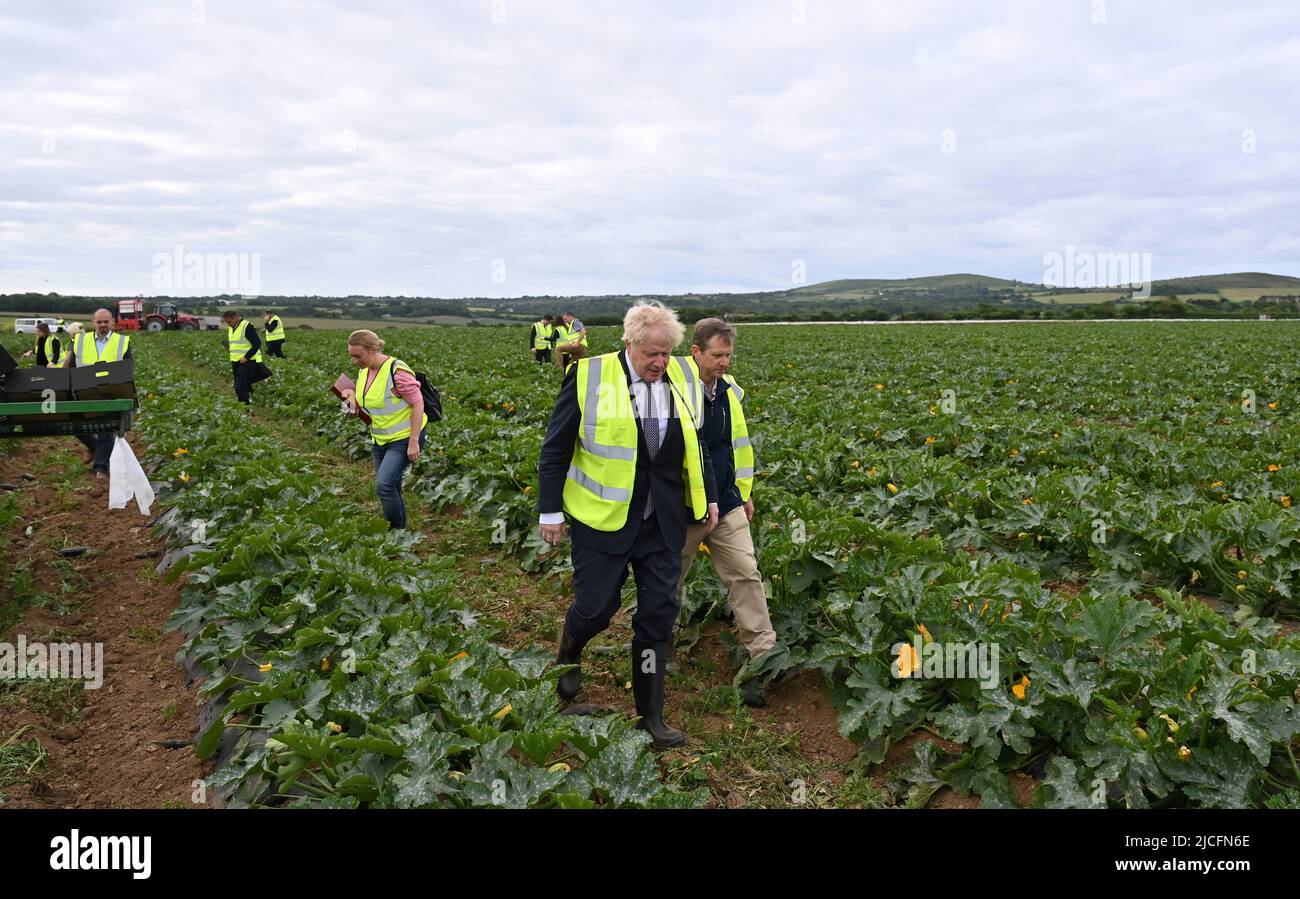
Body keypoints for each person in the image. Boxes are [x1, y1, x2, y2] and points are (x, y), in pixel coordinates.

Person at [538, 301, 719, 749]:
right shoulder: (588, 376)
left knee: (659, 616)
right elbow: (556, 449)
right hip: (603, 520)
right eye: (651, 354)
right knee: (597, 608)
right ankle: (570, 651)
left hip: (663, 521)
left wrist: (710, 497)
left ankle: (651, 717)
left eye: (666, 353)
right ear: (629, 343)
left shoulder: (683, 376)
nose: (660, 362)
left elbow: (699, 444)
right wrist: (550, 511)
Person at [674, 319, 777, 708]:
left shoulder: (729, 392)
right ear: (695, 352)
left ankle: (763, 658)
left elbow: (737, 447)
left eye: (728, 355)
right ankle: (659, 649)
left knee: (745, 574)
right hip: (687, 507)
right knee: (670, 579)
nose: (724, 362)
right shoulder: (672, 392)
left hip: (728, 502)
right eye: (717, 355)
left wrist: (743, 492)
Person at [340, 330, 428, 530]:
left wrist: (414, 441)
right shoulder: (364, 371)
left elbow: (418, 404)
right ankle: (400, 528)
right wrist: (354, 409)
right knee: (391, 484)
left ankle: (396, 531)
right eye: (351, 356)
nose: (354, 361)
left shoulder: (397, 371)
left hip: (405, 437)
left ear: (373, 349)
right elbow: (372, 401)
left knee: (384, 485)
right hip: (380, 438)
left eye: (358, 356)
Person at [62, 308, 131, 478]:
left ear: (112, 322)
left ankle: (100, 468)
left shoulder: (123, 341)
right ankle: (93, 447)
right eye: (99, 322)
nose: (102, 325)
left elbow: (128, 368)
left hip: (110, 391)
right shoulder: (80, 341)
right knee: (75, 425)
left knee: (106, 429)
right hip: (84, 390)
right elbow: (69, 367)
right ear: (93, 323)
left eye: (106, 322)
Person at [222, 310, 263, 405]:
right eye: (226, 322)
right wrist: (229, 348)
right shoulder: (231, 328)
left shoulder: (247, 326)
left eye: (229, 321)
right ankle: (253, 399)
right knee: (244, 385)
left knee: (239, 386)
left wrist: (246, 357)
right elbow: (238, 343)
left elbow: (257, 344)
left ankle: (245, 408)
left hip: (247, 361)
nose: (228, 324)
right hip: (235, 361)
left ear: (235, 318)